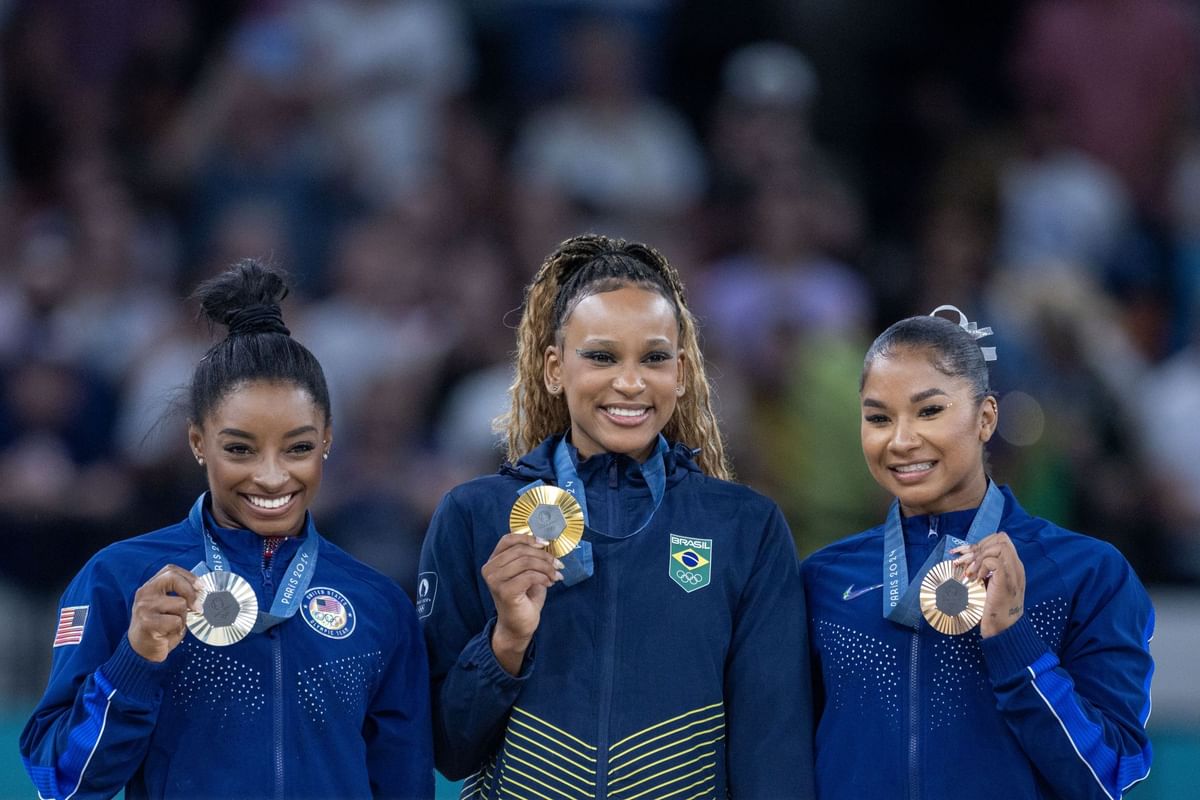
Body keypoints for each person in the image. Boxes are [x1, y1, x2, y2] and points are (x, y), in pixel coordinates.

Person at [418, 234, 814, 798]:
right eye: (601, 356)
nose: (629, 382)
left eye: (653, 358)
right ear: (556, 367)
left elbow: (773, 752)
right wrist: (505, 640)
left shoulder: (745, 528)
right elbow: (446, 751)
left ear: (680, 372)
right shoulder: (474, 517)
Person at [20, 259, 433, 800]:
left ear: (328, 440)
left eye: (299, 448)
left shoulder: (379, 604)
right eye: (239, 448)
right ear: (197, 442)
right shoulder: (121, 580)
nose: (270, 475)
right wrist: (135, 660)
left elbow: (405, 787)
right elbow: (59, 782)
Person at [801, 306, 1155, 799]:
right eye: (879, 418)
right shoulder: (822, 580)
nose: (901, 440)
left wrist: (1014, 641)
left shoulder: (1087, 572)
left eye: (929, 411)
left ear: (986, 417)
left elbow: (1111, 772)